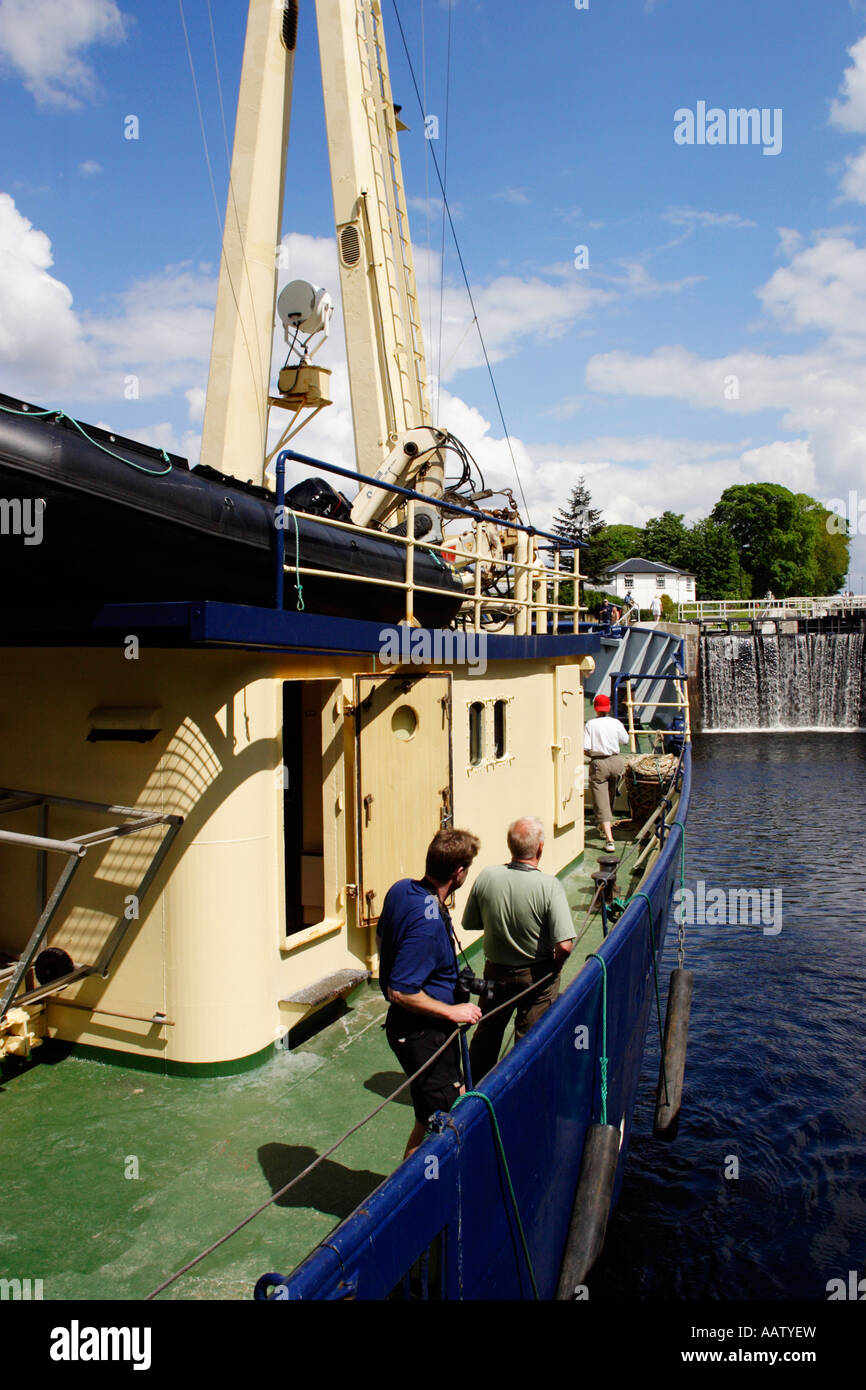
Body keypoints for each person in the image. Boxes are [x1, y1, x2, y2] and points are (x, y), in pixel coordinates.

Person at [377, 828, 482, 1157]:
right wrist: (453, 1011)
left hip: (415, 1030)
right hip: (422, 1034)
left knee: (430, 1114)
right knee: (439, 1123)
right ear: (458, 872)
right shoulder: (429, 922)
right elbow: (401, 991)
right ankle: (416, 1193)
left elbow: (384, 938)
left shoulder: (400, 890)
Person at [464, 817, 575, 1082]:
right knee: (529, 1039)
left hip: (495, 973)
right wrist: (555, 963)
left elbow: (470, 922)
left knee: (487, 1034)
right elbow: (565, 945)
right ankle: (523, 1086)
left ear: (510, 846)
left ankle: (475, 1088)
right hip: (536, 977)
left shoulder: (487, 876)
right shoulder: (549, 886)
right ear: (540, 849)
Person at [583, 692, 629, 852]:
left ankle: (609, 839)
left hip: (599, 763)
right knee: (609, 797)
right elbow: (625, 740)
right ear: (608, 708)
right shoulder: (616, 723)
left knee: (601, 801)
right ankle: (603, 828)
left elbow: (586, 748)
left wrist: (594, 756)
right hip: (616, 762)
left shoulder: (591, 724)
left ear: (596, 709)